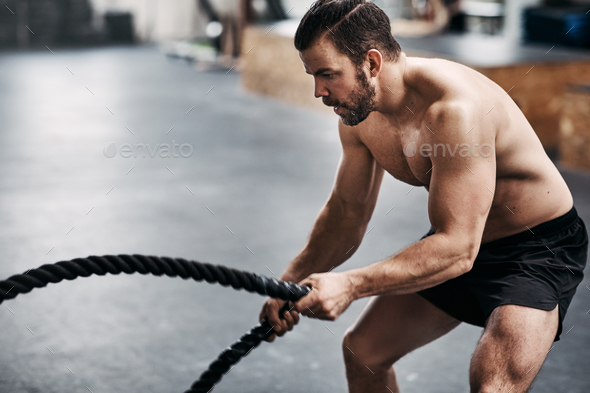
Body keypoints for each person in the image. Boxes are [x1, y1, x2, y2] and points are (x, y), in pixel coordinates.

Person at [258, 1, 588, 392]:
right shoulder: (358, 116)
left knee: (493, 385)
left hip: (535, 247)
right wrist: (289, 282)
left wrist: (350, 284)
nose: (319, 91)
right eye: (313, 76)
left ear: (372, 63)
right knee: (363, 354)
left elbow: (458, 248)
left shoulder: (454, 111)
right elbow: (346, 214)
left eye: (328, 74)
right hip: (457, 237)